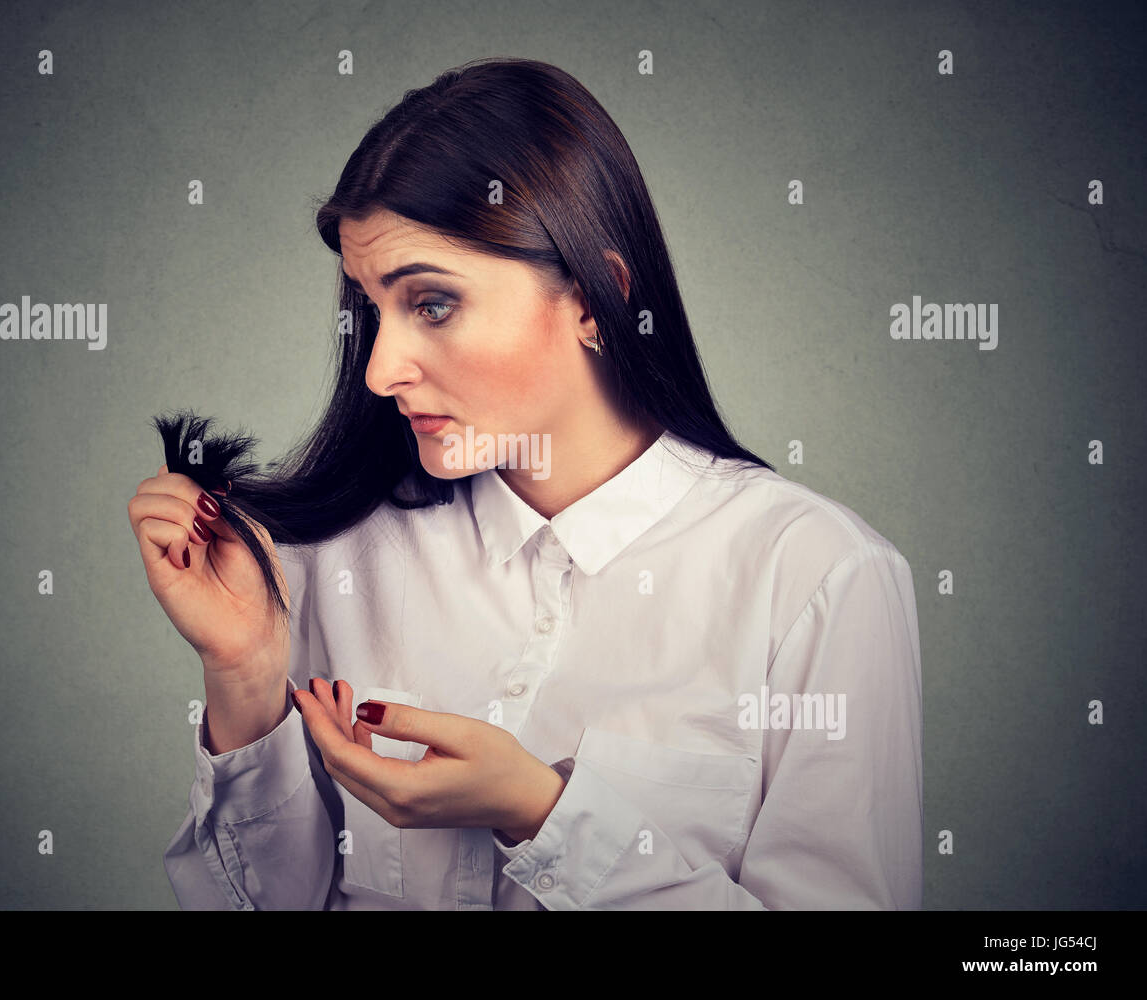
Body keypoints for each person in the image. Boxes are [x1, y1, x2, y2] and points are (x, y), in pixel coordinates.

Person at [128, 57, 922, 910]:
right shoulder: (324, 564)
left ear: (595, 298)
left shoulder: (819, 580)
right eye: (369, 310)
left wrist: (542, 814)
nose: (381, 370)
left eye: (431, 304)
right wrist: (244, 675)